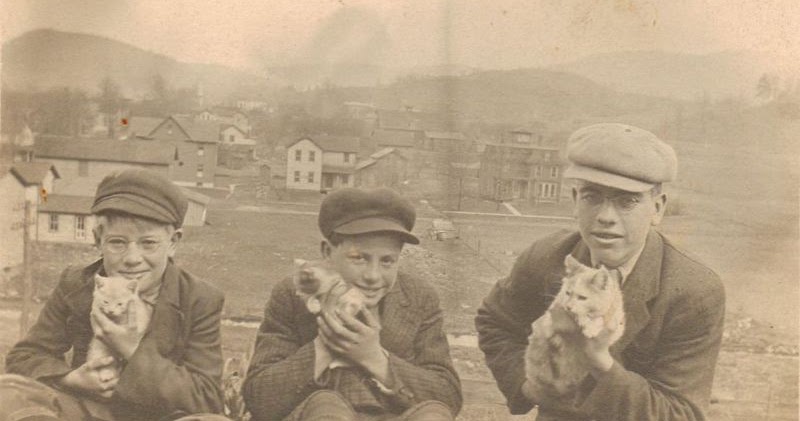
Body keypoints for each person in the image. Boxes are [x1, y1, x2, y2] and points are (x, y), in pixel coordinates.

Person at [475, 123, 726, 421]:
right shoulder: (548, 257)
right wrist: (529, 386)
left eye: (627, 201)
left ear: (657, 208)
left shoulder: (694, 291)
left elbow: (680, 413)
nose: (606, 217)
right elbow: (495, 321)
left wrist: (599, 361)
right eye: (592, 196)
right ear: (574, 201)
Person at [1, 169, 229, 421]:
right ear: (98, 240)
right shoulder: (77, 284)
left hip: (161, 416)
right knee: (7, 393)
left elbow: (206, 396)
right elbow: (25, 357)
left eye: (149, 243)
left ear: (173, 242)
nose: (132, 259)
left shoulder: (198, 298)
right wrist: (71, 378)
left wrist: (131, 347)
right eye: (117, 242)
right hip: (86, 411)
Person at [243, 187, 462, 421]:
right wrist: (326, 347)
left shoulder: (419, 298)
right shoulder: (293, 295)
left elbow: (447, 397)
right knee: (326, 407)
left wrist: (375, 357)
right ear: (328, 252)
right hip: (319, 415)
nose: (373, 276)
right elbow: (259, 399)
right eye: (359, 258)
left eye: (387, 261)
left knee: (433, 415)